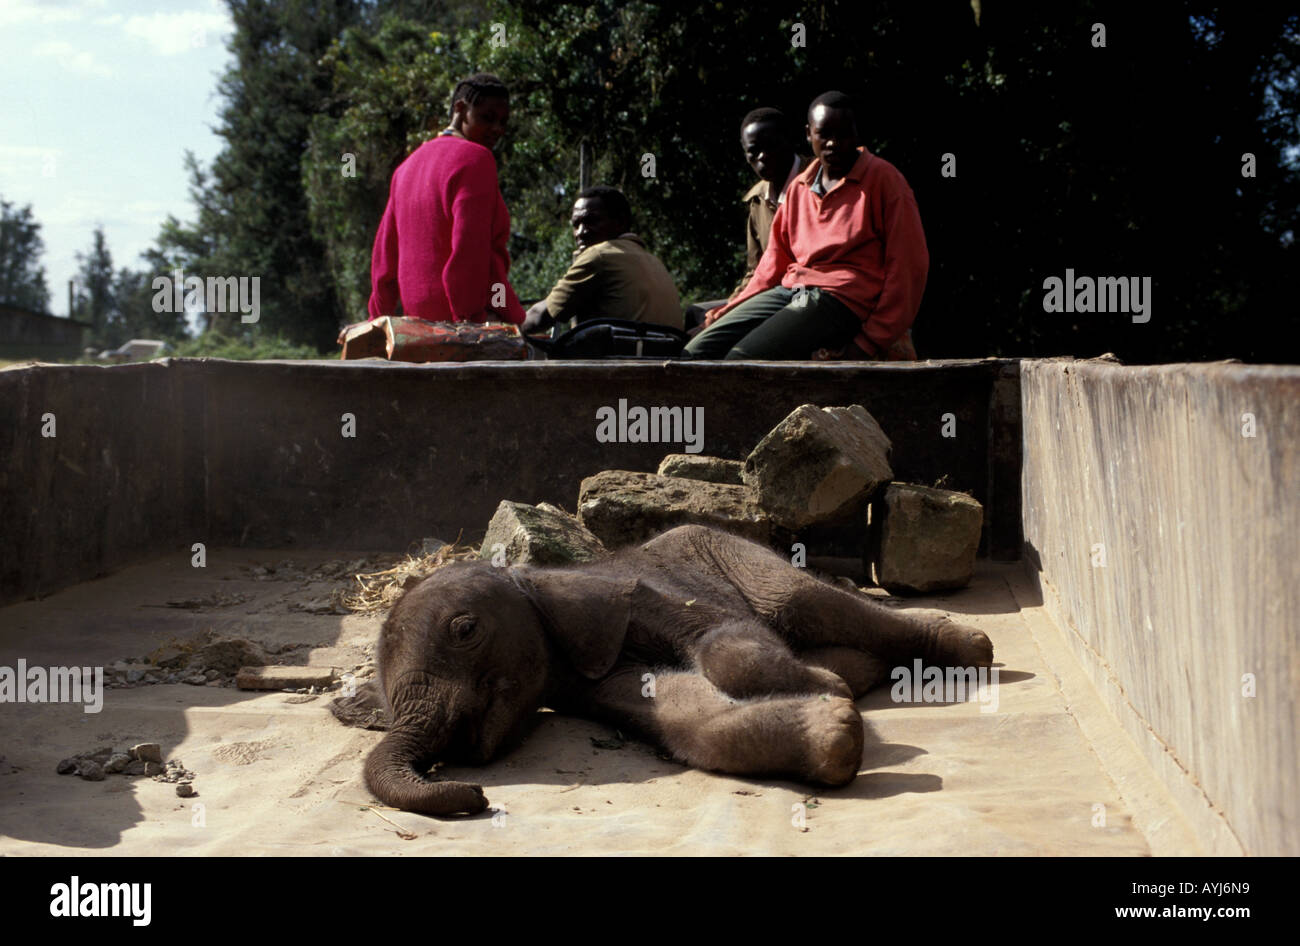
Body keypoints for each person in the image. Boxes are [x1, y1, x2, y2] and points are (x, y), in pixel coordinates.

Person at [685, 91, 927, 360]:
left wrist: (868, 342)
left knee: (740, 359)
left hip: (841, 297)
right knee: (697, 351)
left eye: (843, 134)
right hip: (793, 289)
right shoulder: (800, 188)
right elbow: (770, 267)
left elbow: (908, 267)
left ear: (857, 134)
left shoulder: (884, 181)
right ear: (809, 134)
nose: (833, 143)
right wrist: (724, 312)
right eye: (824, 134)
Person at [367, 73, 526, 324]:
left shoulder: (405, 168)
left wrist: (378, 318)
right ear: (461, 109)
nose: (497, 129)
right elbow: (470, 250)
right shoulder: (476, 159)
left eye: (503, 122)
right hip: (462, 323)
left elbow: (384, 260)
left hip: (418, 327)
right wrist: (481, 318)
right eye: (487, 118)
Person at [685, 107, 812, 330]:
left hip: (803, 293)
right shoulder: (757, 200)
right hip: (767, 293)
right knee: (696, 317)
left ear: (789, 141)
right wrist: (725, 310)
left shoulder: (816, 181)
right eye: (753, 151)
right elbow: (755, 271)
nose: (762, 157)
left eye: (771, 146)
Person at [521, 186, 682, 334]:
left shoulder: (599, 256)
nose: (580, 232)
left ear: (620, 222)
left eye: (591, 221)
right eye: (576, 225)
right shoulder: (653, 260)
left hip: (622, 361)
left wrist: (504, 327)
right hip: (663, 357)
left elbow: (541, 317)